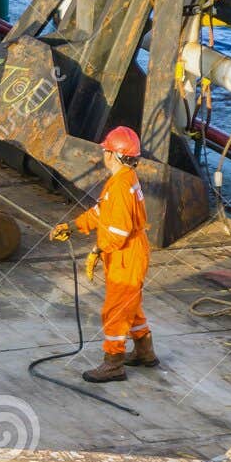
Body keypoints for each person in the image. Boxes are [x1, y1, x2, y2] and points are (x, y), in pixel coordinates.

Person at [50, 126, 155, 383]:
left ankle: (113, 363)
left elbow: (118, 232)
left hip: (125, 254)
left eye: (106, 150)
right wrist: (73, 226)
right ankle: (145, 351)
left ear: (112, 154)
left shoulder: (119, 186)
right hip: (130, 251)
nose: (104, 155)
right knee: (130, 304)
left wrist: (98, 248)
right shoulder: (124, 179)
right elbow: (101, 213)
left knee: (115, 310)